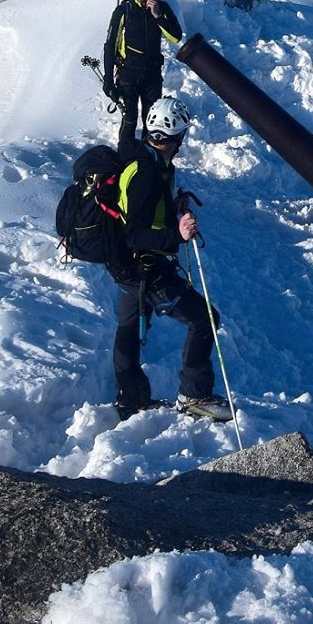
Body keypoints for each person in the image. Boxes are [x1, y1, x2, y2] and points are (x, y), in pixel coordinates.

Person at [108, 96, 233, 423]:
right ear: (173, 137)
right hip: (145, 268)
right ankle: (194, 396)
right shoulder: (146, 172)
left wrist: (174, 205)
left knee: (129, 327)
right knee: (205, 319)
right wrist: (176, 235)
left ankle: (130, 400)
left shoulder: (150, 163)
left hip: (128, 267)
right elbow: (133, 234)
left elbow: (146, 213)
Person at [103, 0, 182, 149]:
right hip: (128, 73)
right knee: (129, 119)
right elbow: (110, 46)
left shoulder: (162, 8)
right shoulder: (124, 10)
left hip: (152, 75)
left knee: (152, 120)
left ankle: (150, 159)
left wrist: (157, 16)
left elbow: (176, 37)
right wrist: (108, 80)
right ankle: (125, 156)